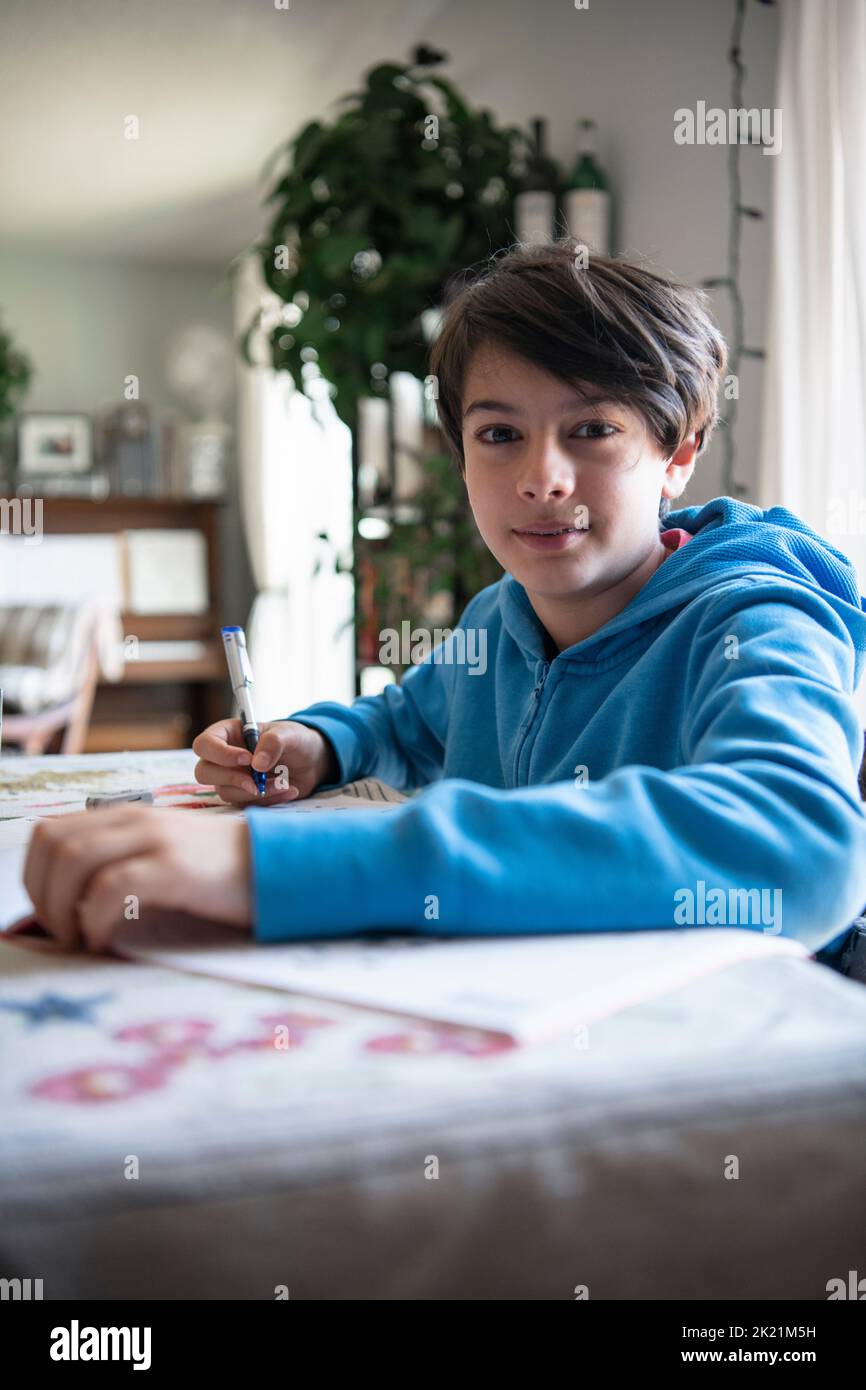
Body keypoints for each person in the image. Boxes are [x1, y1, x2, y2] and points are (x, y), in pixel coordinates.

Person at [23, 239, 866, 958]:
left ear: (678, 452)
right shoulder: (497, 620)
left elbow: (803, 848)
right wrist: (313, 742)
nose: (540, 479)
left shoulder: (755, 623)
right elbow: (405, 724)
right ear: (459, 455)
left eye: (592, 430)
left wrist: (265, 870)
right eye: (499, 435)